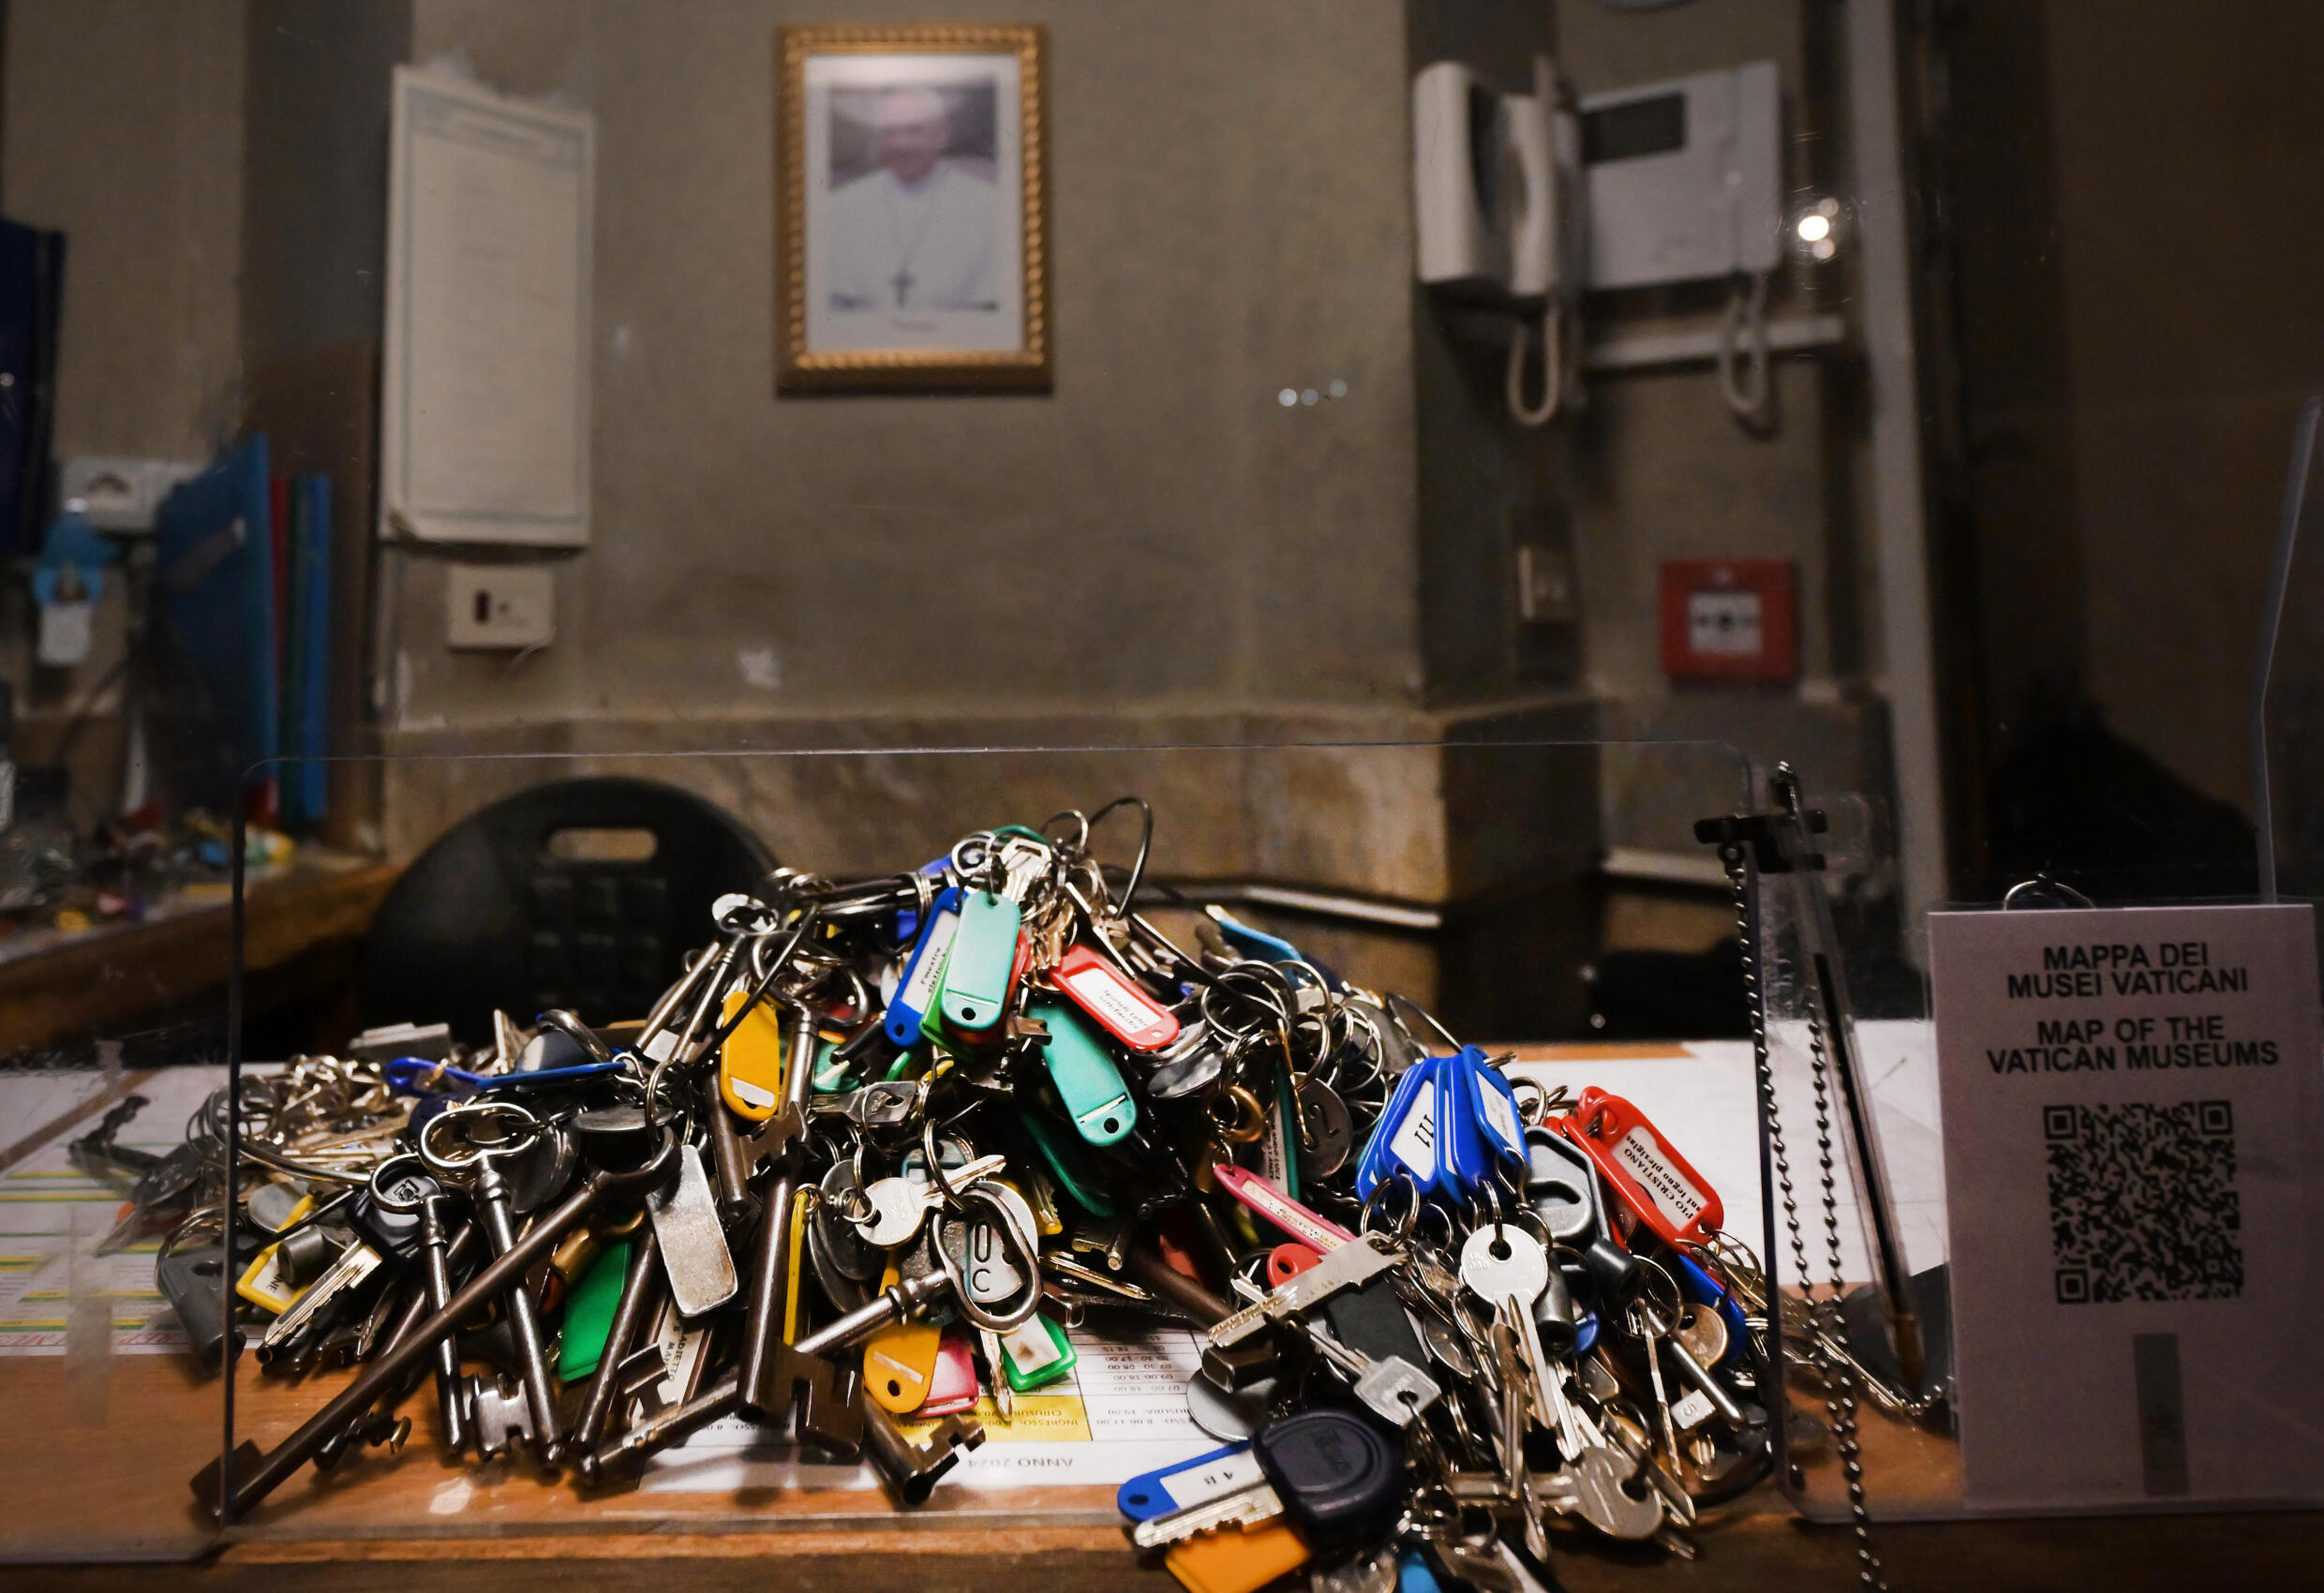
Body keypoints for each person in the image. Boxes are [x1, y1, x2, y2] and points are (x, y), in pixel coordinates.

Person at [823, 85, 1000, 314]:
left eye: (914, 130)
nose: (901, 144)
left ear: (942, 134)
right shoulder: (840, 207)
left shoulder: (988, 206)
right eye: (890, 132)